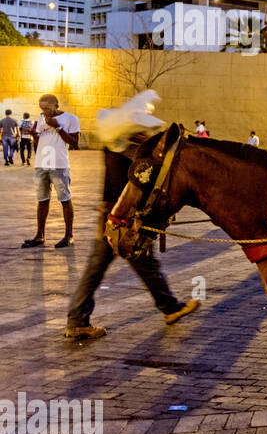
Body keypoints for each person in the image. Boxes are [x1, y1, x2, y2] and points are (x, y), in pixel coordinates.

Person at [64, 91, 201, 340]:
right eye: (139, 131)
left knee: (123, 267)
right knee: (133, 264)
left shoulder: (116, 149)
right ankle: (168, 308)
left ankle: (168, 307)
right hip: (121, 222)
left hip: (112, 220)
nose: (143, 135)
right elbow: (131, 191)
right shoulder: (127, 155)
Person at [23, 94, 79, 248]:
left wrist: (58, 127)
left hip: (59, 165)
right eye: (42, 108)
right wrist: (35, 136)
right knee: (42, 201)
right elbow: (41, 141)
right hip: (41, 165)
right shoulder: (41, 118)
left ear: (56, 105)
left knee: (65, 200)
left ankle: (69, 236)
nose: (44, 112)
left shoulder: (70, 119)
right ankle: (39, 236)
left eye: (47, 108)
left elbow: (75, 143)